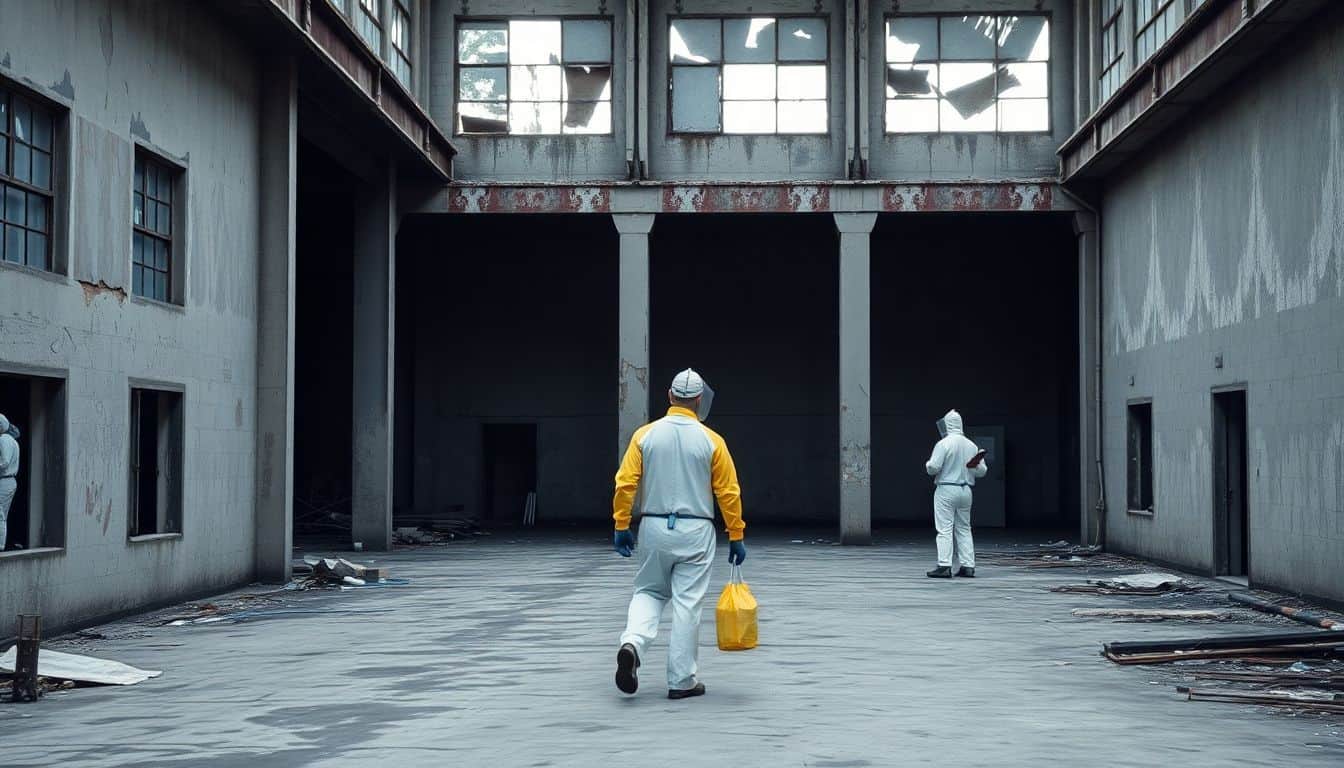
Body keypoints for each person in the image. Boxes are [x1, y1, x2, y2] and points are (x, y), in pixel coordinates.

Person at [611, 368, 746, 700]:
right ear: (699, 401)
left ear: (670, 397)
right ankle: (682, 681)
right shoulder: (712, 441)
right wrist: (736, 533)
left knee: (649, 592)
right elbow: (728, 492)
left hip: (654, 526)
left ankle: (632, 643)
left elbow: (625, 483)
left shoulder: (645, 435)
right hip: (696, 529)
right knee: (688, 603)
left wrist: (621, 524)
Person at [924, 409, 987, 578]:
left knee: (944, 528)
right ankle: (968, 565)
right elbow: (981, 471)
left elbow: (934, 468)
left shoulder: (944, 444)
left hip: (946, 488)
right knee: (964, 527)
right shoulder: (971, 445)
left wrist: (928, 464)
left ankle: (944, 565)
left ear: (947, 424)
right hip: (966, 490)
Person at [0, 413, 19, 552]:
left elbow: (5, 462)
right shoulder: (12, 440)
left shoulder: (4, 439)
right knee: (2, 514)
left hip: (5, 480)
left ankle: (0, 546)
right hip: (9, 481)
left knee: (0, 514)